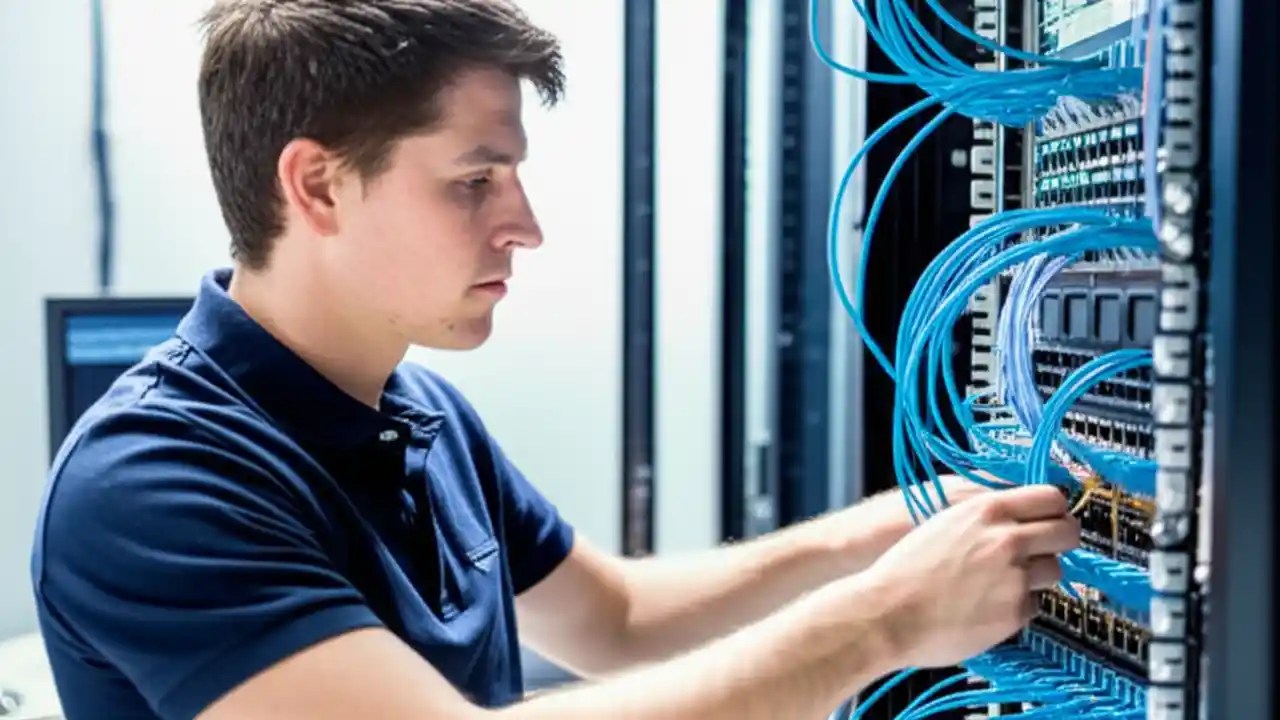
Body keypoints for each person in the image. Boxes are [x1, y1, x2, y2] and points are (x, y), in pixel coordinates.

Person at [29, 1, 1081, 718]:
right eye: (474, 181)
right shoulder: (151, 482)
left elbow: (618, 619)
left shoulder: (418, 412)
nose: (523, 226)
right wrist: (884, 620)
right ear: (315, 187)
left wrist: (900, 520)